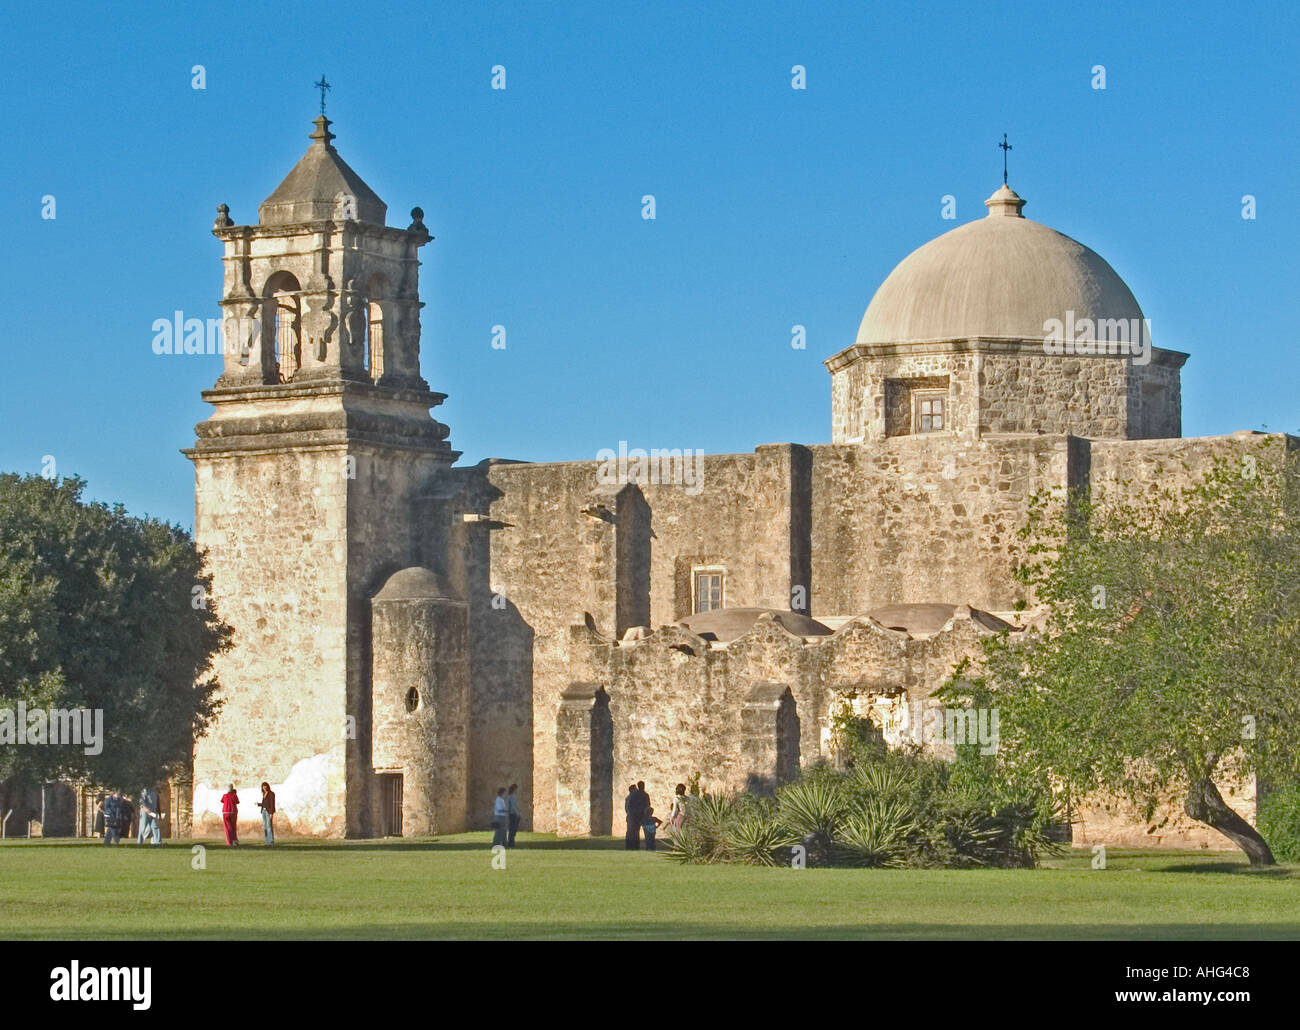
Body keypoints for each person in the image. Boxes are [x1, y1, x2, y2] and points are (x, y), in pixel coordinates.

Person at [624, 784, 645, 849]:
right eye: (635, 789)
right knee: (631, 832)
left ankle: (635, 846)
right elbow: (628, 808)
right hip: (631, 817)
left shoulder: (633, 798)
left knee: (635, 832)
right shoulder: (629, 798)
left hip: (634, 817)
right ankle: (630, 846)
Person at [506, 783, 521, 848]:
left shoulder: (509, 796)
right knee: (513, 829)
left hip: (511, 814)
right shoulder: (512, 797)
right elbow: (513, 806)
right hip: (513, 814)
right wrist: (518, 813)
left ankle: (510, 843)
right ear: (515, 789)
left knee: (512, 829)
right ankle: (511, 843)